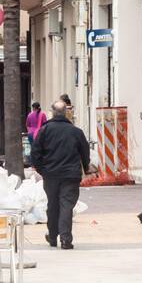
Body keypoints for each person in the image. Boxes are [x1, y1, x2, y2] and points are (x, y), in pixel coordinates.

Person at [29, 100, 91, 250]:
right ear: (66, 113)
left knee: (53, 205)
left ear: (52, 112)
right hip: (70, 175)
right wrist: (86, 168)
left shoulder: (45, 130)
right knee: (66, 205)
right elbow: (85, 153)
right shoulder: (76, 132)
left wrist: (41, 169)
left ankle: (52, 236)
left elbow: (35, 152)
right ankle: (65, 239)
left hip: (51, 175)